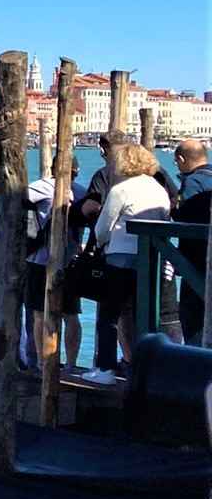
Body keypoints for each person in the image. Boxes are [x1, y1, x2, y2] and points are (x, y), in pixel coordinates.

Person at [92, 143, 173, 370]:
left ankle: (106, 369)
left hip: (120, 258)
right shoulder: (160, 190)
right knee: (143, 317)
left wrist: (101, 244)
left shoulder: (121, 189)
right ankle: (146, 368)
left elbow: (102, 228)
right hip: (149, 259)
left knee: (110, 316)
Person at [24, 169, 84, 371]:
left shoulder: (44, 186)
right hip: (70, 261)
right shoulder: (81, 191)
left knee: (40, 314)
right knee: (71, 315)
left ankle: (43, 362)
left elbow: (16, 197)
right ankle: (71, 364)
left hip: (40, 259)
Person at [174, 139, 209, 341]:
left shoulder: (192, 182)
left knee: (192, 317)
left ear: (181, 159)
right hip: (205, 257)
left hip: (194, 261)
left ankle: (195, 364)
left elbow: (185, 217)